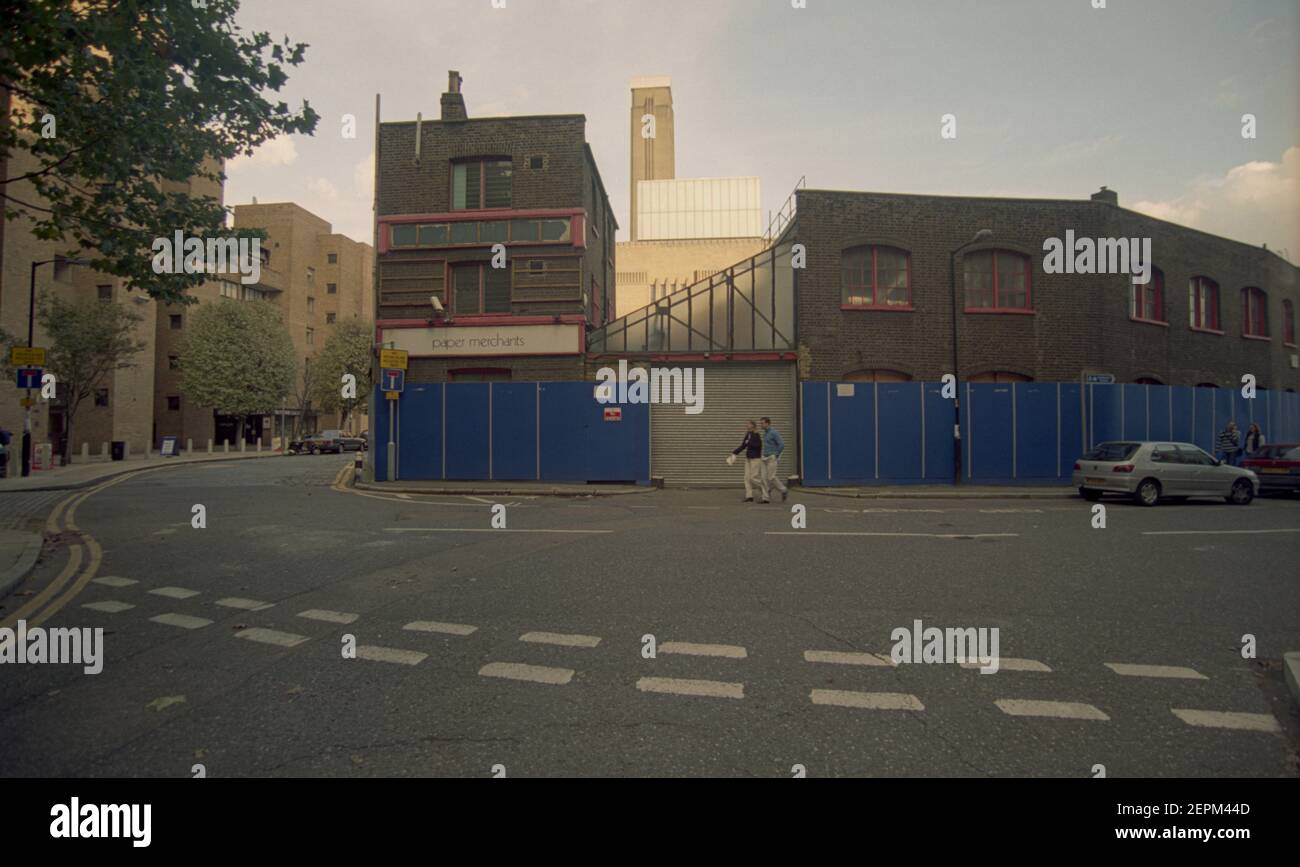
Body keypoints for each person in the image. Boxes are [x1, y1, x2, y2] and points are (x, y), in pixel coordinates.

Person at [731, 420, 766, 503]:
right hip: (748, 458)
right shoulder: (748, 434)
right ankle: (749, 496)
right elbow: (743, 445)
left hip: (755, 459)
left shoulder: (757, 435)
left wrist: (749, 442)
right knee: (746, 478)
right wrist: (735, 452)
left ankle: (765, 488)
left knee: (753, 478)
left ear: (753, 426)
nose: (746, 425)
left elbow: (757, 446)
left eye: (748, 424)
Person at [759, 416, 788, 503]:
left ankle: (783, 490)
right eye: (760, 423)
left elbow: (782, 444)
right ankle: (765, 498)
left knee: (771, 477)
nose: (761, 425)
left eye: (762, 423)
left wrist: (776, 454)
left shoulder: (774, 432)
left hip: (771, 458)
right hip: (764, 458)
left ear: (767, 423)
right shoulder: (765, 433)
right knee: (763, 478)